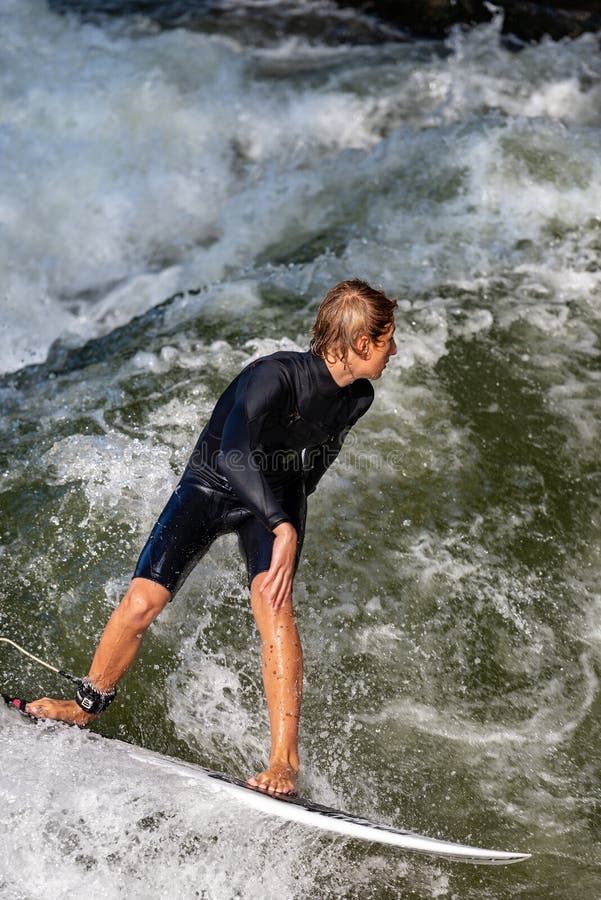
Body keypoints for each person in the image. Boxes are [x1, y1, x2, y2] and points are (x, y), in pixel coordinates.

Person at [25, 279, 397, 795]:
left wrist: (292, 508)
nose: (393, 350)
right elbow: (233, 452)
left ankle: (284, 762)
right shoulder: (274, 377)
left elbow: (322, 452)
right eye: (388, 340)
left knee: (275, 608)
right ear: (361, 343)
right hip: (215, 482)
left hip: (279, 494)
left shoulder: (358, 397)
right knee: (142, 601)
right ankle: (85, 707)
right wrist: (281, 523)